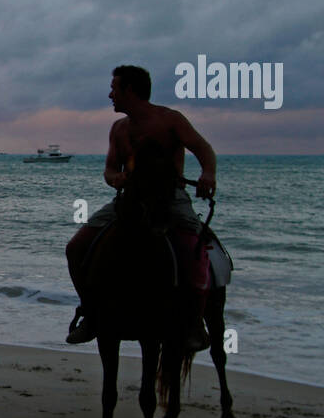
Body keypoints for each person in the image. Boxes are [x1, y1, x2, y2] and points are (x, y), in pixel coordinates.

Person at [64, 65, 216, 351]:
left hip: (170, 199)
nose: (110, 94)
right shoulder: (119, 129)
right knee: (75, 248)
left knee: (194, 249)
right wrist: (117, 179)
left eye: (114, 88)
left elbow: (203, 148)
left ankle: (195, 322)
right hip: (128, 199)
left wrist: (208, 173)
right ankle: (90, 312)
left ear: (130, 91)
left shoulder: (171, 120)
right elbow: (110, 170)